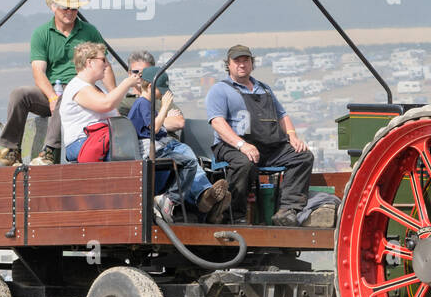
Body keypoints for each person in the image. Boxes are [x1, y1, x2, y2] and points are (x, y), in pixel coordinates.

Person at [0, 0, 114, 166]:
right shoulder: (41, 34)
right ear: (54, 8)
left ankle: (50, 151)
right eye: (65, 7)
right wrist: (51, 97)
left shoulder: (89, 32)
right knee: (19, 94)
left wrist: (113, 94)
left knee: (65, 96)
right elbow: (38, 71)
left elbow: (104, 66)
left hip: (81, 90)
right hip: (51, 90)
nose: (69, 11)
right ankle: (11, 149)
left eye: (74, 8)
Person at [205, 44, 312, 227]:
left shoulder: (265, 89)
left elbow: (282, 115)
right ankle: (235, 215)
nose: (241, 64)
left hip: (268, 147)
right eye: (236, 61)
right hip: (232, 146)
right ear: (228, 65)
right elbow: (217, 123)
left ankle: (287, 210)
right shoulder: (220, 90)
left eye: (245, 60)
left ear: (252, 63)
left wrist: (293, 136)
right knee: (243, 163)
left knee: (303, 156)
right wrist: (241, 145)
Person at [127, 62, 231, 223]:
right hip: (150, 150)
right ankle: (171, 199)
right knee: (188, 161)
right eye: (159, 91)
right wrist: (165, 109)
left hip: (158, 146)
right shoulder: (142, 103)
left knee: (186, 155)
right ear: (148, 86)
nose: (161, 96)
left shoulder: (147, 104)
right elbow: (154, 128)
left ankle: (202, 200)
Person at [59, 42, 140, 163]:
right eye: (103, 60)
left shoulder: (96, 89)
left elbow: (114, 113)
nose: (107, 65)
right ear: (89, 62)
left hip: (100, 140)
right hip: (84, 142)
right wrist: (127, 83)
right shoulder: (77, 87)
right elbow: (106, 104)